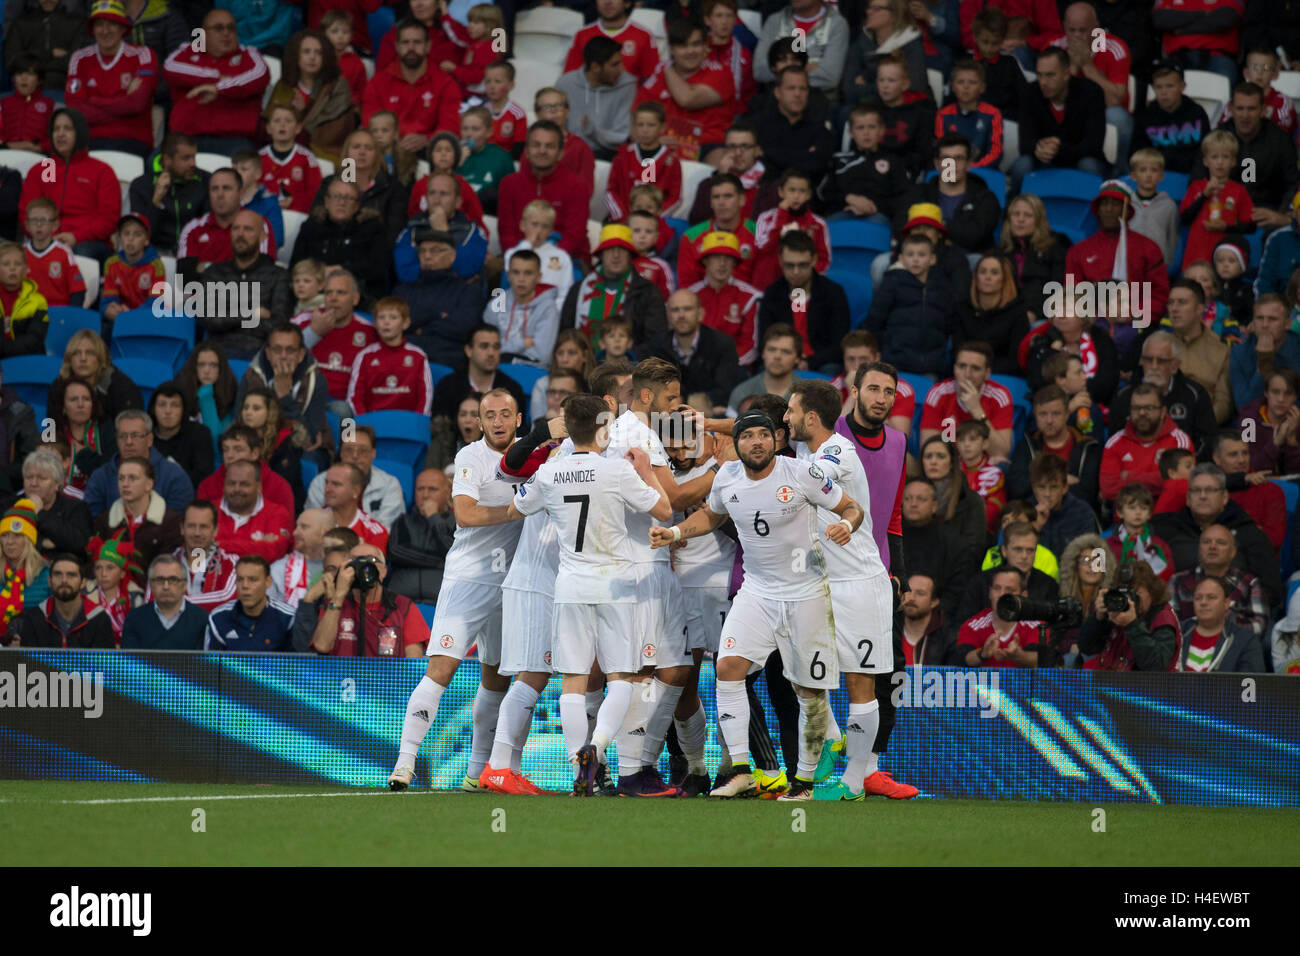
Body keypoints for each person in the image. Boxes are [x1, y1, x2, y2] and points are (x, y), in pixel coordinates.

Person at [651, 409, 864, 800]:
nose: (756, 442)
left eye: (763, 435)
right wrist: (676, 532)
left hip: (807, 595)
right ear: (737, 443)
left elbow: (852, 508)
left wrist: (846, 525)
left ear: (775, 439)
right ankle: (742, 769)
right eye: (747, 436)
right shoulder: (727, 477)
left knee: (809, 690)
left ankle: (803, 782)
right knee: (728, 668)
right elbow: (712, 517)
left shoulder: (801, 473)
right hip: (757, 592)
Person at [493, 395, 673, 795]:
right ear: (604, 429)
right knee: (620, 677)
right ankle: (598, 747)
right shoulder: (617, 471)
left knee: (573, 681)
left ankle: (579, 763)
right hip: (616, 584)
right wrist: (646, 470)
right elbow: (663, 510)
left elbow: (512, 511)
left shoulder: (550, 473)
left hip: (570, 586)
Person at [387, 389, 523, 791]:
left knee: (496, 679)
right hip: (468, 579)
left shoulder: (536, 460)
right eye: (489, 415)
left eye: (505, 414)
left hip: (512, 584)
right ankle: (405, 763)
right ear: (479, 423)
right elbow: (464, 512)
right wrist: (517, 509)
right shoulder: (470, 457)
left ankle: (475, 773)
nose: (497, 421)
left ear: (518, 420)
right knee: (441, 669)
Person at [785, 379, 893, 800]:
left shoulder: (836, 452)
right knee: (802, 675)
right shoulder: (804, 449)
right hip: (819, 586)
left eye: (792, 412)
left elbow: (818, 476)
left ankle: (853, 783)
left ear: (811, 418)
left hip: (859, 585)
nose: (786, 419)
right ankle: (832, 736)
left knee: (859, 684)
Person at [1151, 463, 1282, 605]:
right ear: (1188, 498)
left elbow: (1271, 590)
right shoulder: (1167, 531)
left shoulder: (1248, 533)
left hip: (1237, 615)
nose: (1203, 496)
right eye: (1196, 490)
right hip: (1178, 613)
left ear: (1224, 497)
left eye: (1210, 490)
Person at [1190, 83, 1297, 229]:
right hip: (1223, 209)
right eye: (1240, 108)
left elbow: (1292, 184)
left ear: (1263, 110)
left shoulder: (1280, 140)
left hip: (1266, 212)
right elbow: (1196, 181)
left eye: (1251, 109)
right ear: (1231, 109)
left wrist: (1282, 215)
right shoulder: (1215, 138)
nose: (1245, 115)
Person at [162, 8, 269, 153]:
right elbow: (170, 68)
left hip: (234, 141)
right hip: (186, 140)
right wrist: (217, 78)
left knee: (247, 163)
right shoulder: (187, 52)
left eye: (231, 28)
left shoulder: (249, 55)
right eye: (218, 28)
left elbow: (260, 76)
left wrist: (218, 88)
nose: (226, 33)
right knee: (153, 163)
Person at [17, 108, 117, 260]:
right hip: (44, 238)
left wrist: (76, 236)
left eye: (67, 128)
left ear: (80, 133)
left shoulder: (101, 170)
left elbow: (109, 219)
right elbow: (27, 212)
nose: (60, 134)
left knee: (76, 253)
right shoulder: (43, 169)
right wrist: (49, 236)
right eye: (56, 129)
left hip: (88, 242)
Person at [634, 18, 735, 164]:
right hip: (663, 145)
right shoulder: (657, 77)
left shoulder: (720, 73)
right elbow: (636, 118)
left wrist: (668, 69)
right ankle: (646, 185)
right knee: (645, 166)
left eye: (696, 44)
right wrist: (652, 140)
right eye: (683, 46)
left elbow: (687, 99)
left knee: (724, 164)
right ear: (672, 49)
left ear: (706, 46)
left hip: (708, 147)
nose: (690, 51)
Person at [65, 0, 157, 156]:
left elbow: (136, 104)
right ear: (92, 30)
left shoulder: (143, 55)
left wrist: (93, 101)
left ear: (122, 28)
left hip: (131, 140)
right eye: (99, 25)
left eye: (112, 24)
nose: (105, 31)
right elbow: (76, 110)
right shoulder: (79, 58)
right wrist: (123, 101)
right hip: (89, 141)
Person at [1009, 47, 1106, 191]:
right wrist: (1038, 149)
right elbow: (1025, 143)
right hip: (1043, 159)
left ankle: (1093, 212)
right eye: (1039, 75)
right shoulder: (1030, 93)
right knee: (1021, 165)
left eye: (1050, 75)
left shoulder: (1091, 92)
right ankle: (1014, 210)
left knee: (1089, 166)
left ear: (1066, 74)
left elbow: (1094, 144)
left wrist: (1059, 149)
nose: (1043, 82)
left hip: (1079, 158)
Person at [863, 230, 956, 378]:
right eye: (910, 254)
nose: (915, 259)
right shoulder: (892, 282)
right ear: (901, 258)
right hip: (895, 362)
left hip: (931, 365)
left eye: (921, 255)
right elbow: (876, 319)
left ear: (932, 259)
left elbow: (948, 324)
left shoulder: (942, 288)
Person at [360, 17, 459, 154]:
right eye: (405, 42)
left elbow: (450, 128)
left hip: (430, 152)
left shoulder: (445, 83)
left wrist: (427, 139)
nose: (411, 48)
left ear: (428, 46)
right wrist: (395, 142)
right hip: (388, 152)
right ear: (397, 46)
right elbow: (370, 125)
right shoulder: (377, 83)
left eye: (417, 42)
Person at [560, 225, 667, 351]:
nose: (616, 255)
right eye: (610, 249)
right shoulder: (578, 289)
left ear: (630, 255)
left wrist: (625, 361)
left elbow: (655, 341)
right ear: (601, 255)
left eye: (622, 249)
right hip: (583, 365)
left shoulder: (648, 292)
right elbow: (565, 334)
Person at [497, 121, 591, 264]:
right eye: (536, 145)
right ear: (526, 151)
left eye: (549, 146)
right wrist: (523, 260)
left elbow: (574, 236)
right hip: (519, 259)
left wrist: (546, 262)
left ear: (560, 153)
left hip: (566, 261)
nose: (542, 151)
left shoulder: (577, 186)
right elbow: (506, 233)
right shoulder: (509, 184)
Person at [756, 231, 848, 374]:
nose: (796, 272)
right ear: (780, 261)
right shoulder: (772, 293)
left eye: (803, 265)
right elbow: (765, 339)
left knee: (831, 369)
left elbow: (840, 343)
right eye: (790, 265)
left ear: (814, 260)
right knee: (764, 370)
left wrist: (809, 361)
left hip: (820, 363)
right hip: (782, 360)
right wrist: (789, 359)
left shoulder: (833, 292)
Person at [896, 134, 1001, 256]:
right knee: (881, 263)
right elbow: (901, 228)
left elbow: (975, 237)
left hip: (968, 261)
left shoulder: (985, 198)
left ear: (968, 164)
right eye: (946, 158)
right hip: (922, 257)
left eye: (958, 158)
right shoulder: (917, 193)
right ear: (936, 164)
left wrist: (934, 221)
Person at [1169, 522, 1270, 649]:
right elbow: (1170, 626)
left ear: (1233, 552)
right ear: (1199, 548)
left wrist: (1218, 627)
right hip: (1187, 649)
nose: (1212, 546)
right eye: (1206, 542)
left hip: (1235, 651)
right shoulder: (1177, 581)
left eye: (1220, 542)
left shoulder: (1249, 583)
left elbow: (1259, 628)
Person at [262, 29, 355, 166]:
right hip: (285, 151)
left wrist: (304, 110)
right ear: (296, 55)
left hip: (332, 152)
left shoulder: (338, 85)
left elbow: (339, 130)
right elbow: (271, 126)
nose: (312, 57)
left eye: (318, 52)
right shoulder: (284, 85)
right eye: (306, 52)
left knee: (350, 166)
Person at [645, 289, 740, 418]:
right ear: (668, 315)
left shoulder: (722, 344)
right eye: (675, 310)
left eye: (687, 309)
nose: (681, 315)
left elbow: (726, 388)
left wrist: (703, 401)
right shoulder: (655, 346)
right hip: (667, 417)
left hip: (710, 417)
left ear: (700, 314)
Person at [291, 179, 386, 304]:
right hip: (314, 296)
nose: (342, 202)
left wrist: (342, 269)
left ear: (357, 206)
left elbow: (378, 268)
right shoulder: (312, 226)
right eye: (336, 196)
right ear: (326, 201)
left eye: (349, 198)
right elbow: (296, 265)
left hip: (359, 298)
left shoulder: (372, 228)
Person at [93, 455, 183, 587]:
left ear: (149, 484)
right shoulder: (105, 520)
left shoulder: (169, 521)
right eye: (121, 478)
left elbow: (170, 567)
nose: (125, 484)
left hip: (154, 594)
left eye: (132, 478)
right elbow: (95, 562)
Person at [1006, 385, 1101, 507]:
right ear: (1035, 415)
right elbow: (1015, 488)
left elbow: (1088, 493)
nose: (1049, 420)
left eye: (1056, 414)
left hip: (1075, 518)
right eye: (1043, 414)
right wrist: (1062, 480)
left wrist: (1038, 483)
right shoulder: (1027, 443)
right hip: (1034, 515)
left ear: (1067, 414)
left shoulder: (1087, 446)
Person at [1078, 558, 1180, 670]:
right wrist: (1098, 619)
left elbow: (1157, 664)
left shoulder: (1163, 618)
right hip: (1107, 684)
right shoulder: (1118, 609)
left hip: (1143, 686)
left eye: (1135, 593)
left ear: (1152, 590)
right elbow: (1086, 647)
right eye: (1125, 593)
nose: (1129, 599)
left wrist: (1132, 625)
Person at [1099, 382, 1193, 501]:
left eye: (1149, 408)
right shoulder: (1115, 442)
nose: (1142, 413)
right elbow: (1108, 489)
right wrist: (1157, 480)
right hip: (1126, 518)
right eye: (1136, 408)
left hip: (1167, 517)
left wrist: (1129, 476)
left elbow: (1181, 483)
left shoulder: (1179, 441)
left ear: (1163, 412)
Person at [920, 341, 1013, 459]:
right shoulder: (938, 394)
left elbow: (1001, 452)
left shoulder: (999, 396)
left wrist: (977, 410)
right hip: (949, 466)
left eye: (975, 368)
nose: (967, 374)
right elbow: (929, 448)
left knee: (1001, 462)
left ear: (987, 373)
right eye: (962, 366)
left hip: (983, 465)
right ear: (954, 368)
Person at [3, 551, 115, 648]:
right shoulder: (35, 617)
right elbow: (28, 666)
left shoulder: (99, 619)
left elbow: (103, 670)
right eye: (57, 574)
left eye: (71, 575)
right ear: (49, 581)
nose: (64, 580)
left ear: (83, 583)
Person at [303, 425, 403, 531]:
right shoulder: (321, 483)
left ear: (373, 454)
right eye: (349, 450)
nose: (355, 455)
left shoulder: (389, 485)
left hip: (374, 545)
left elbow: (385, 531)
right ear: (341, 452)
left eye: (363, 450)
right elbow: (312, 526)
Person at [556, 35, 637, 160]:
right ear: (595, 67)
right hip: (570, 150)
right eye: (614, 65)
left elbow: (622, 136)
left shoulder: (628, 86)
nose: (622, 69)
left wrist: (593, 131)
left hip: (610, 153)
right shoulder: (565, 83)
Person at [750, 168, 831, 293]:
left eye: (802, 191)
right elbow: (763, 247)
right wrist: (782, 215)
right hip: (766, 286)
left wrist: (805, 277)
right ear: (781, 192)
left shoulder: (818, 224)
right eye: (792, 190)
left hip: (800, 288)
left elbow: (824, 260)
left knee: (798, 312)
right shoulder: (765, 218)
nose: (796, 196)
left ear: (809, 195)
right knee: (768, 313)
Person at [128, 132, 208, 257]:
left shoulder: (205, 181)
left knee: (181, 275)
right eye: (185, 158)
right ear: (167, 159)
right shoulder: (141, 186)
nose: (192, 163)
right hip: (155, 255)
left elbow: (209, 228)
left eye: (193, 157)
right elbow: (138, 236)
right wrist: (156, 201)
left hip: (192, 254)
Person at [384, 469, 455, 606]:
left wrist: (434, 518)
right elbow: (396, 552)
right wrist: (440, 561)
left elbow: (452, 552)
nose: (425, 495)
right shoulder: (403, 521)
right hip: (400, 603)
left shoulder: (457, 523)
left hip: (442, 603)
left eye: (432, 489)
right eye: (420, 489)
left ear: (447, 494)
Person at [754, 67, 837, 183]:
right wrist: (805, 154)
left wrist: (768, 153)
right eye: (791, 88)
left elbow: (817, 165)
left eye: (802, 88)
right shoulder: (758, 126)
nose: (797, 94)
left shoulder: (820, 131)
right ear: (777, 92)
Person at [953, 253, 1028, 377]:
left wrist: (981, 371)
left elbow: (1016, 360)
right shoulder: (962, 308)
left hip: (1003, 376)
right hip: (967, 373)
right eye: (983, 272)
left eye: (994, 273)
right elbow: (957, 351)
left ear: (1004, 279)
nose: (988, 277)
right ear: (976, 277)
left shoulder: (1017, 312)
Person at [679, 172, 759, 288]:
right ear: (711, 202)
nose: (721, 203)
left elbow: (761, 283)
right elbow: (687, 285)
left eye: (728, 196)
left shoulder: (759, 234)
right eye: (716, 197)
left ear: (742, 200)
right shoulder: (691, 237)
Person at [755, 0, 851, 95]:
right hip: (777, 100)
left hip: (820, 99)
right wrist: (807, 67)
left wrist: (781, 67)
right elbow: (760, 71)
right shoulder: (774, 21)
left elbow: (830, 77)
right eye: (783, 60)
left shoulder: (837, 24)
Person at [484, 252, 559, 369]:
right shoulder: (495, 304)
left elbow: (542, 355)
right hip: (496, 368)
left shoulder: (548, 308)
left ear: (538, 277)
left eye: (528, 273)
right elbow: (486, 348)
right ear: (508, 275)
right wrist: (523, 343)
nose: (521, 279)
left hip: (532, 371)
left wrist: (504, 351)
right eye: (516, 272)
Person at [998, 194, 1068, 320]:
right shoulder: (1003, 250)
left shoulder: (1055, 246)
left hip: (1043, 314)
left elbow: (1057, 288)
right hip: (1009, 313)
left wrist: (1035, 313)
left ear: (1039, 220)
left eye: (1028, 215)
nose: (1020, 219)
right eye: (1016, 214)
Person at [203, 555, 294, 651]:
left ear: (268, 582)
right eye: (240, 579)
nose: (245, 586)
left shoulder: (288, 618)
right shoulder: (218, 618)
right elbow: (211, 664)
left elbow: (295, 664)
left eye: (252, 579)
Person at [956, 567, 1041, 668]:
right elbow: (965, 659)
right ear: (990, 592)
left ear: (1023, 595)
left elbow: (1040, 659)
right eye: (997, 588)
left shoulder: (1037, 625)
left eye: (1009, 590)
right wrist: (983, 653)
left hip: (1023, 683)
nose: (1001, 595)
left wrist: (1019, 656)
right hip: (985, 683)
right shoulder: (972, 626)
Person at [119, 553, 209, 649]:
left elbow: (203, 663)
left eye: (173, 579)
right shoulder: (134, 619)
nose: (166, 586)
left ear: (184, 585)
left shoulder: (202, 619)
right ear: (151, 585)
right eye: (160, 580)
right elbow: (128, 662)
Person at [1177, 575, 1266, 673]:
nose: (1203, 602)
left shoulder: (1245, 640)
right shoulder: (1178, 632)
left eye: (1211, 597)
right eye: (1198, 598)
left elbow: (1251, 684)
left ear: (1226, 603)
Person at [12, 449, 92, 556]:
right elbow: (7, 543)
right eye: (29, 477)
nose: (33, 483)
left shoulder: (76, 507)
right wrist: (42, 543)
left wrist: (40, 514)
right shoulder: (11, 506)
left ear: (57, 484)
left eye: (42, 478)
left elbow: (79, 543)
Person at [172, 499, 238, 612]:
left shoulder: (231, 563)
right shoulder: (165, 564)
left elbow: (228, 599)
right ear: (182, 528)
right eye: (191, 526)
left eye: (203, 527)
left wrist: (174, 603)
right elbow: (152, 601)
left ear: (215, 530)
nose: (197, 533)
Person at [22, 198, 87, 310]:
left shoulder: (64, 252)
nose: (38, 224)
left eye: (44, 220)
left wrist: (71, 316)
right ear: (27, 225)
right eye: (33, 220)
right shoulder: (20, 253)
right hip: (27, 312)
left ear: (55, 225)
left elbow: (78, 290)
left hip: (58, 313)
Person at [149, 384, 214, 490]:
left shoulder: (200, 434)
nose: (168, 411)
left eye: (175, 405)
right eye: (162, 405)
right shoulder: (144, 436)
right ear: (153, 409)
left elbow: (204, 479)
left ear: (183, 410)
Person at [1237, 367, 1300, 476]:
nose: (1281, 399)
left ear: (1295, 397)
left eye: (1288, 393)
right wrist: (1276, 443)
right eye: (1275, 392)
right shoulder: (1249, 420)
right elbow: (1248, 467)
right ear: (1266, 393)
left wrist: (1292, 440)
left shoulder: (1297, 421)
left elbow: (1296, 473)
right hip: (1258, 484)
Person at [726, 323, 800, 415]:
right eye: (772, 349)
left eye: (786, 352)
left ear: (797, 358)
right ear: (763, 353)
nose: (777, 356)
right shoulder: (741, 392)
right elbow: (731, 429)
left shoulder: (807, 395)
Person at [0, 498, 50, 631]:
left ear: (29, 540)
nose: (9, 542)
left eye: (17, 536)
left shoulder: (46, 574)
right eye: (5, 535)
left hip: (36, 645)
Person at [268, 507, 332, 610]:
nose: (295, 533)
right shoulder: (278, 569)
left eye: (304, 527)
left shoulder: (342, 566)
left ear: (325, 533)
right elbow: (271, 613)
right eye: (296, 527)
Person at [322, 462, 388, 552]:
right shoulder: (311, 523)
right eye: (326, 483)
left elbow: (373, 565)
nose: (327, 489)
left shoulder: (374, 533)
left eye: (336, 484)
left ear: (355, 491)